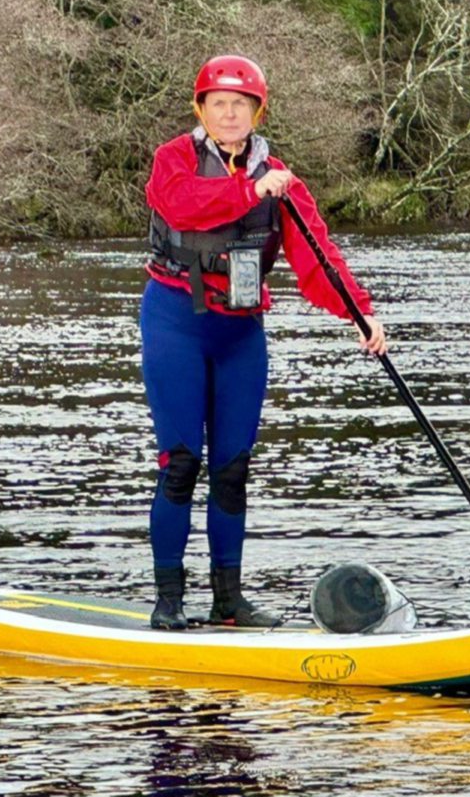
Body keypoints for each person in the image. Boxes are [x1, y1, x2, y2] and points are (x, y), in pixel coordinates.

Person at [142, 55, 388, 631]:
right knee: (181, 464)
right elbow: (183, 207)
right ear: (201, 109)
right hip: (175, 322)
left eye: (241, 105)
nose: (230, 114)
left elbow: (317, 256)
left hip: (240, 333)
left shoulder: (282, 181)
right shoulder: (172, 160)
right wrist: (252, 188)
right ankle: (169, 600)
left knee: (232, 468)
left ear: (257, 112)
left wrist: (359, 313)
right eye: (219, 104)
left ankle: (228, 601)